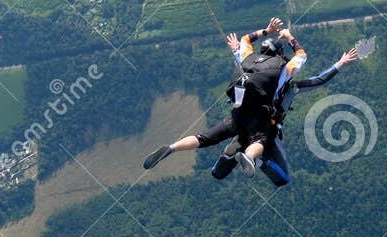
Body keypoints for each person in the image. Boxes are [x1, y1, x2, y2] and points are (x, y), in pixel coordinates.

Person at [141, 18, 360, 186]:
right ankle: (252, 157)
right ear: (281, 57)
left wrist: (267, 30)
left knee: (207, 144)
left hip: (237, 116)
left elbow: (244, 41)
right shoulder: (286, 74)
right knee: (276, 169)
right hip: (262, 124)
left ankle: (172, 147)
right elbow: (314, 74)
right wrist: (293, 38)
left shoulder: (248, 60)